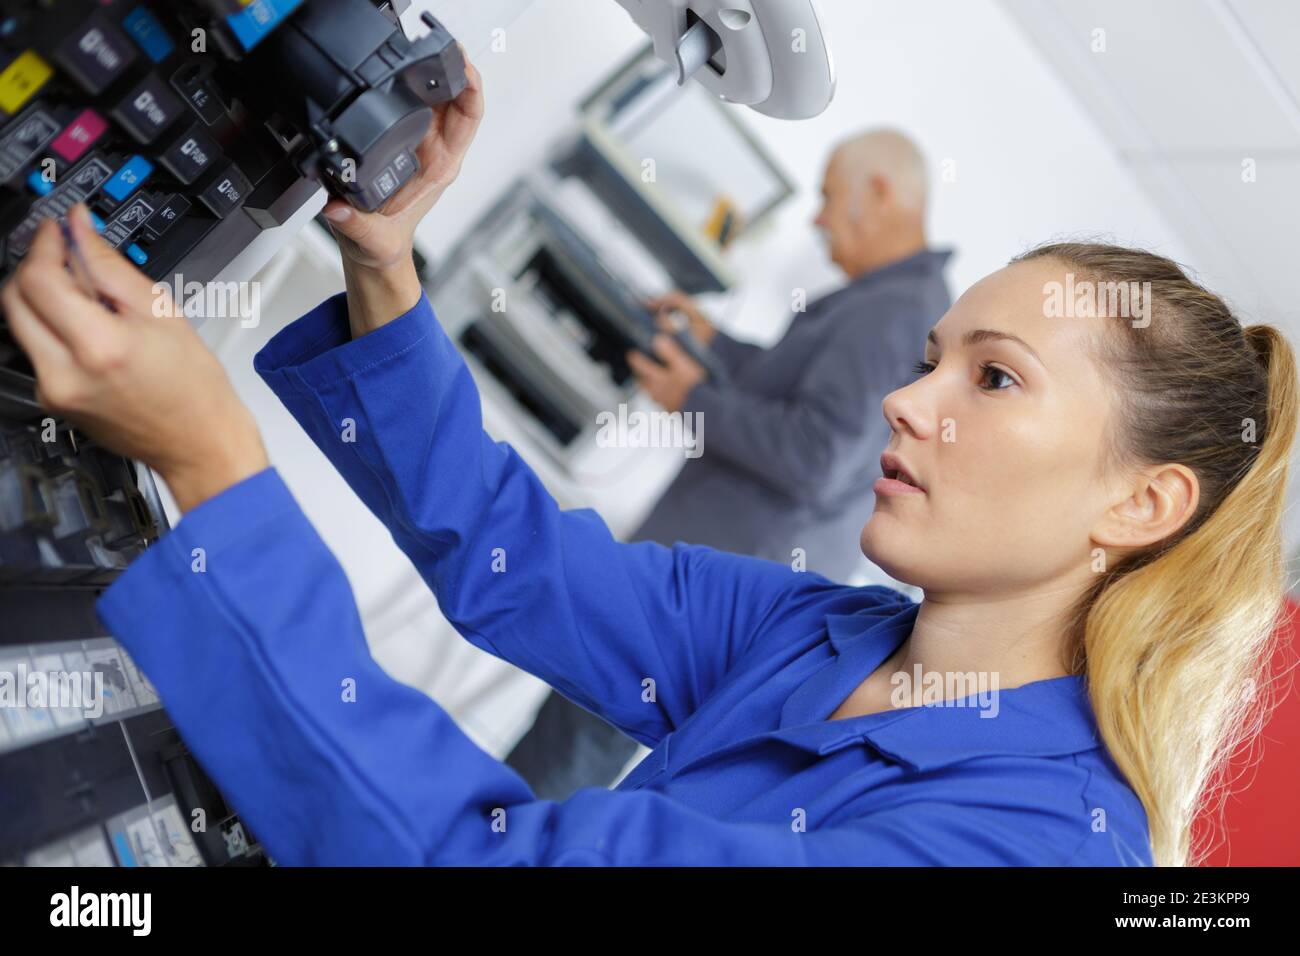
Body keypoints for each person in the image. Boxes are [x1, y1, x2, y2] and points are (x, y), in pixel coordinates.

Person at [4, 57, 1295, 866]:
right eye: (932, 359)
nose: (908, 405)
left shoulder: (1034, 843)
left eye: (993, 379)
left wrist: (215, 464)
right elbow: (511, 556)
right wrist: (386, 265)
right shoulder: (824, 633)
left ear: (1142, 502)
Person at [507, 129, 954, 799]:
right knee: (576, 734)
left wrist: (691, 397)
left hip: (713, 591)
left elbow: (818, 457)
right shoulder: (890, 302)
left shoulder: (897, 312)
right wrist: (716, 345)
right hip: (717, 586)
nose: (818, 218)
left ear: (880, 194)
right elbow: (797, 397)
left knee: (572, 744)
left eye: (829, 198)